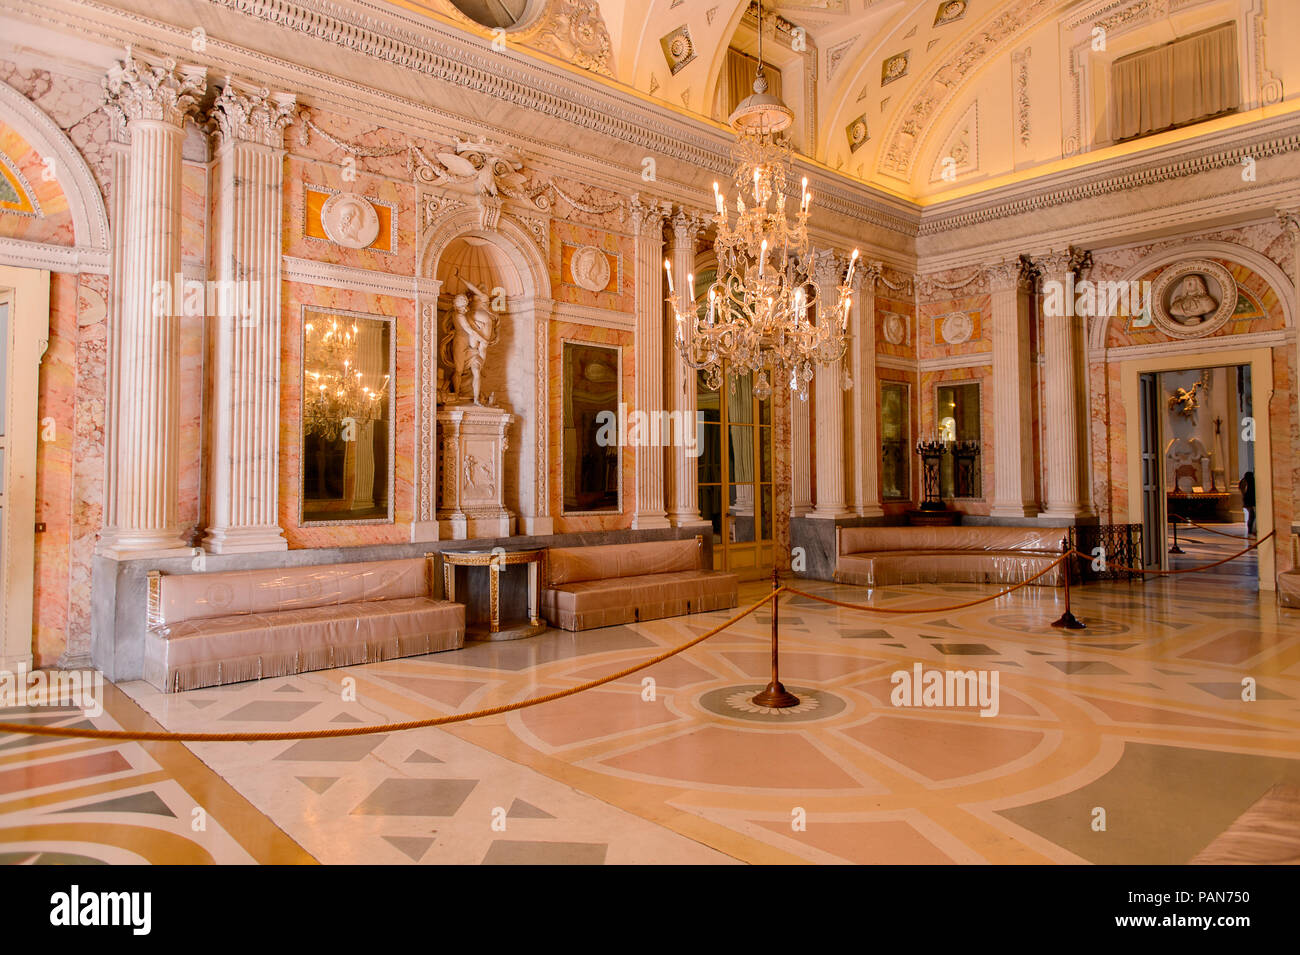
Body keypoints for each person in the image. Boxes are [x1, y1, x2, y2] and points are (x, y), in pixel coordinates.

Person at [1238, 470, 1255, 536]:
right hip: (1249, 501)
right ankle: (1250, 530)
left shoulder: (1243, 481)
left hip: (1247, 501)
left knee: (1251, 516)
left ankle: (1250, 529)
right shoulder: (1249, 482)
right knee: (1251, 516)